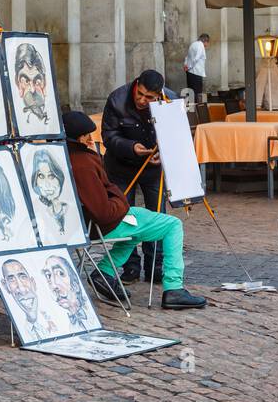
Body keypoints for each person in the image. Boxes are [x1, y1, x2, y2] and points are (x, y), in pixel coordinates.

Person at [63, 111, 206, 310]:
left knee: (139, 228)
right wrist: (121, 202)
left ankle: (104, 272)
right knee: (173, 225)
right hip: (99, 223)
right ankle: (174, 289)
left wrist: (118, 201)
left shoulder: (66, 156)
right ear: (77, 137)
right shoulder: (83, 163)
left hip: (86, 222)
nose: (90, 139)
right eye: (86, 135)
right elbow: (102, 211)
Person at [101, 69, 165, 284]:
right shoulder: (117, 99)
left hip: (153, 168)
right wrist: (131, 147)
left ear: (158, 95)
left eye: (149, 98)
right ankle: (130, 266)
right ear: (137, 84)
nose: (142, 100)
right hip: (121, 166)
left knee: (156, 215)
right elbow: (108, 136)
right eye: (141, 94)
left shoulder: (169, 101)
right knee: (125, 216)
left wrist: (162, 154)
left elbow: (177, 135)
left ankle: (155, 266)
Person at [0, 258, 60, 342]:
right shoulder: (23, 328)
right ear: (5, 286)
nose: (21, 288)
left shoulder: (57, 318)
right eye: (11, 279)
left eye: (23, 277)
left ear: (33, 283)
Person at [42, 254, 91, 331]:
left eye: (60, 274)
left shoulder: (91, 316)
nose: (54, 286)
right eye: (48, 276)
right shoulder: (61, 326)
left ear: (75, 285)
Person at [183, 33, 210, 101]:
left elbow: (187, 57)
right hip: (196, 73)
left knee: (191, 92)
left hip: (190, 72)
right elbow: (196, 58)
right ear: (205, 41)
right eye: (208, 42)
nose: (207, 45)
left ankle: (191, 109)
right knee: (197, 94)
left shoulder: (193, 44)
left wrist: (185, 65)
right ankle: (196, 110)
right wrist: (189, 67)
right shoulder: (200, 45)